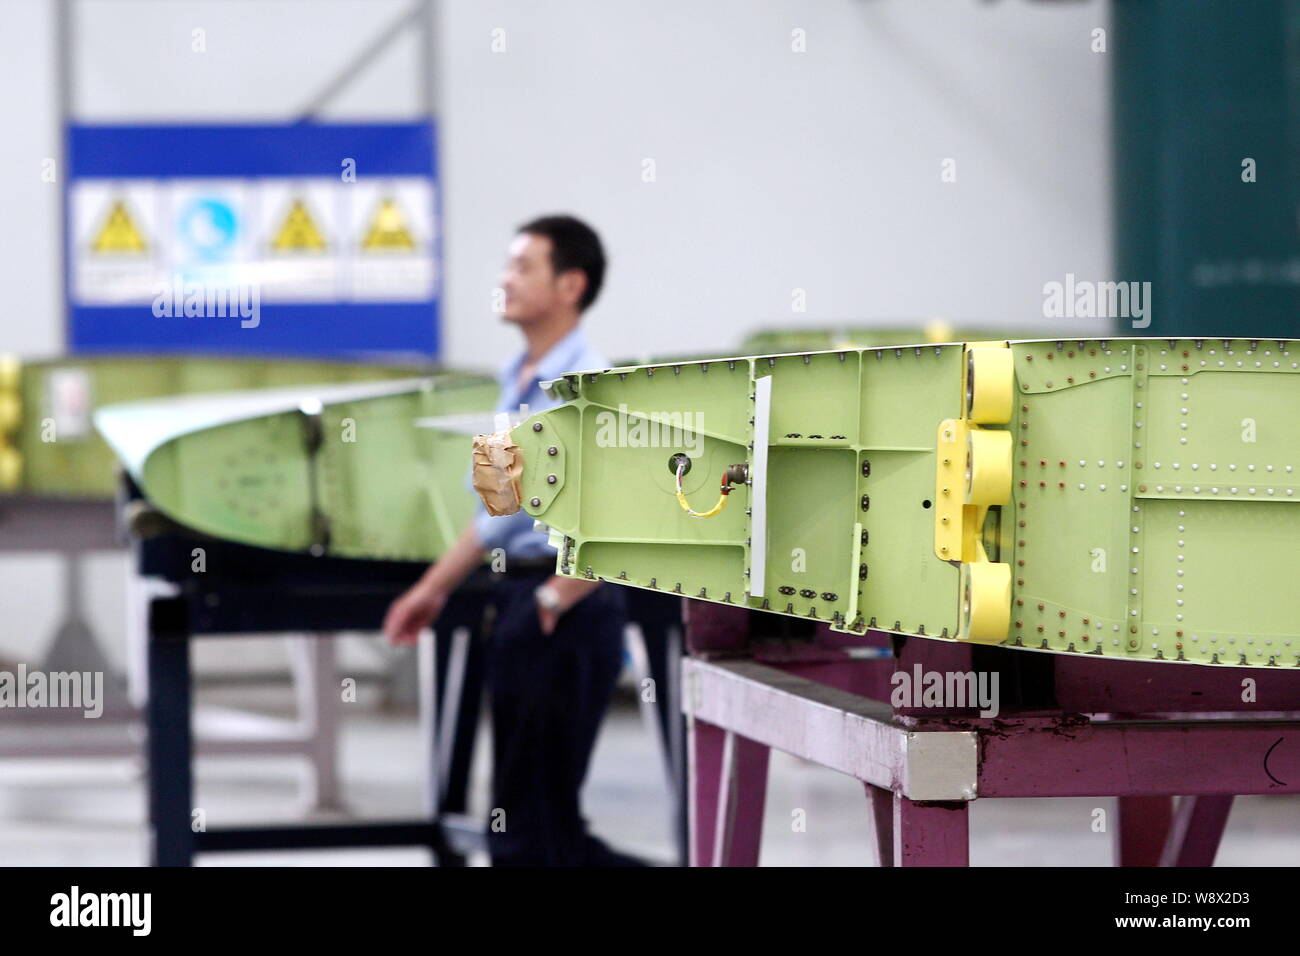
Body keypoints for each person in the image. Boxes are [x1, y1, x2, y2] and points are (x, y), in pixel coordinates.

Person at [384, 214, 641, 866]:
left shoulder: (588, 385)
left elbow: (617, 519)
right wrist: (430, 592)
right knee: (523, 825)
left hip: (570, 606)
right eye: (507, 264)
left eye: (523, 266)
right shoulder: (514, 382)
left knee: (542, 829)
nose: (505, 278)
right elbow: (495, 513)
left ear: (570, 285)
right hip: (523, 600)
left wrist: (555, 602)